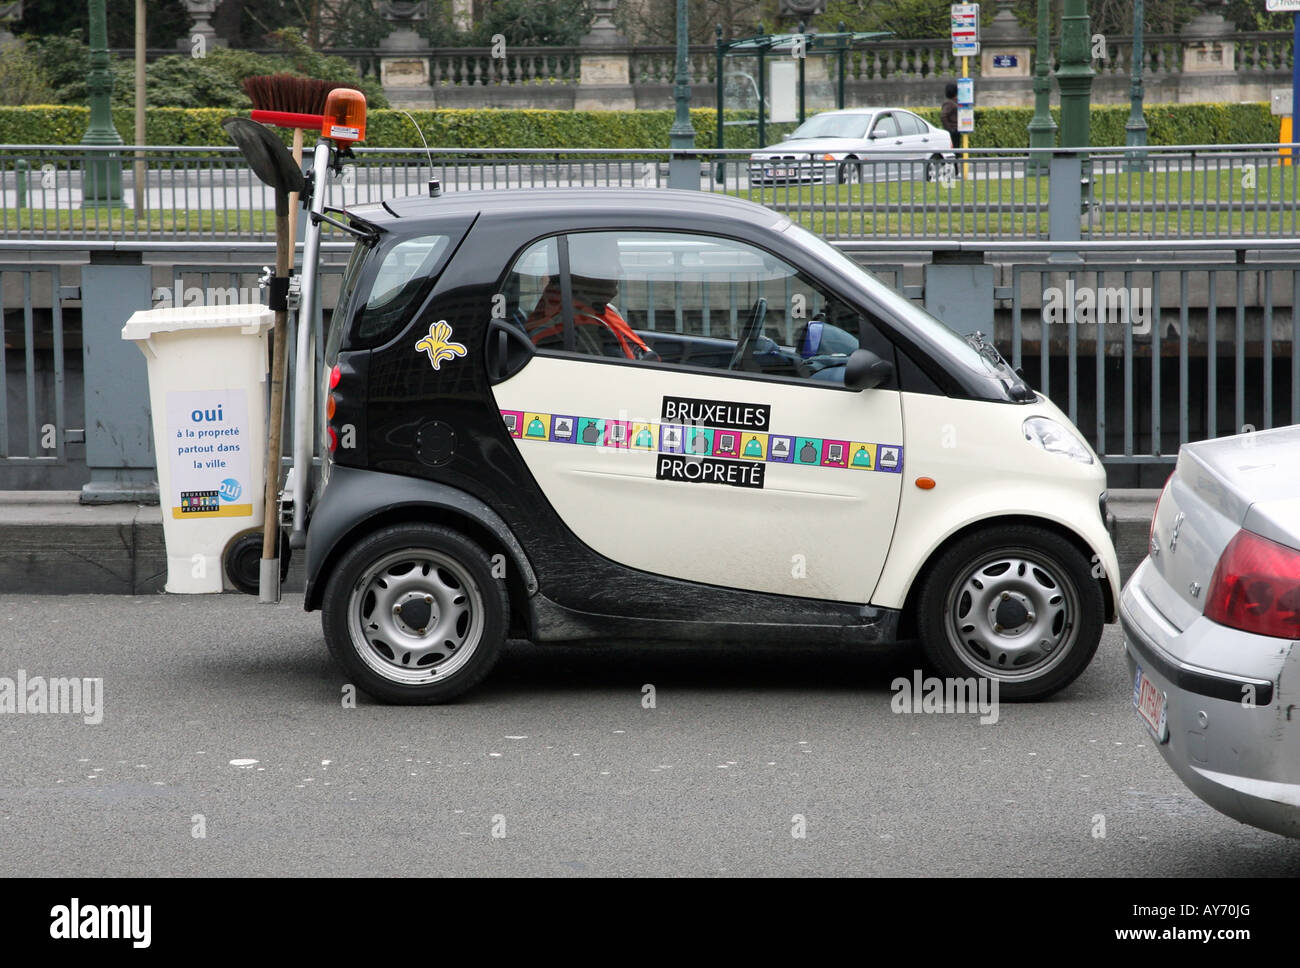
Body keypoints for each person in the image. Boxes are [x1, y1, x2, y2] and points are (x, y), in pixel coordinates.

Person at [524, 246, 656, 361]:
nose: (620, 270)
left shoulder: (600, 310)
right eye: (613, 260)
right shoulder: (575, 331)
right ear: (584, 267)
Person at [940, 82, 960, 151]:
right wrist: (950, 130)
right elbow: (943, 116)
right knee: (955, 150)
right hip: (954, 131)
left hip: (957, 130)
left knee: (957, 150)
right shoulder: (949, 103)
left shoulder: (955, 102)